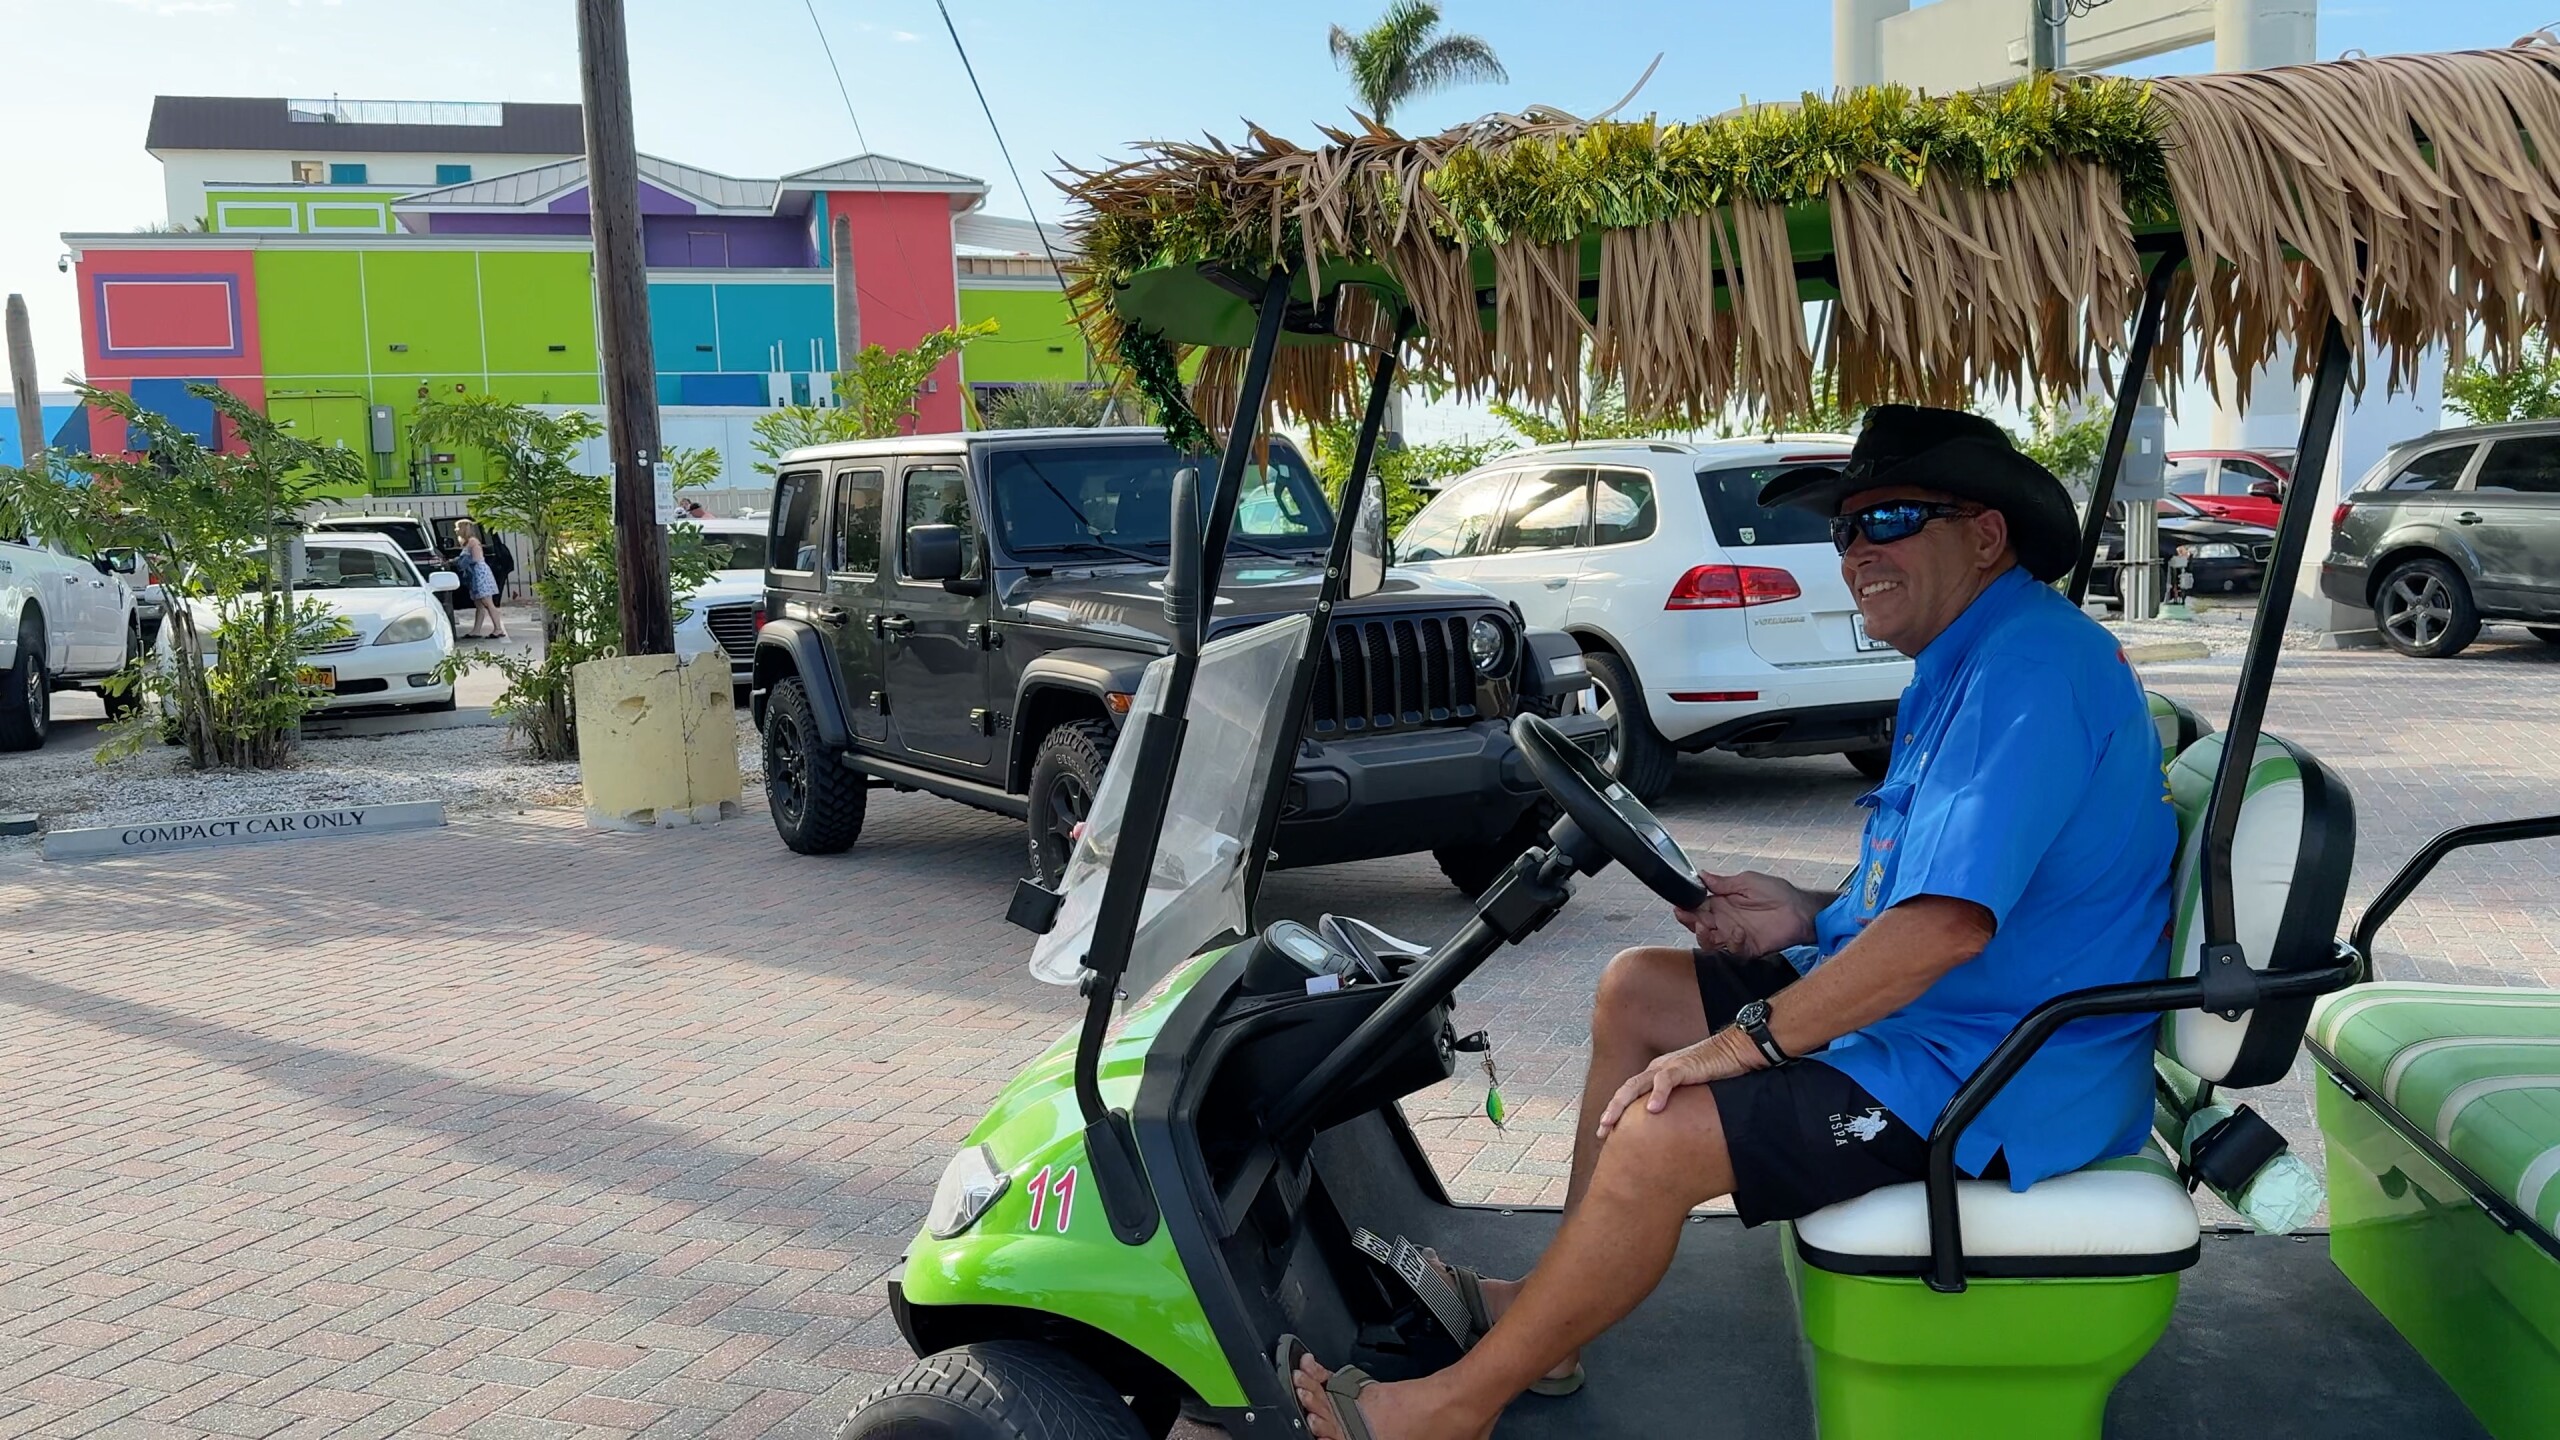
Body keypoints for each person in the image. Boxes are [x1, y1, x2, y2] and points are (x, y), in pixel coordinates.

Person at [1287, 406, 2179, 1439]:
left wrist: (1743, 1044)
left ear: (1985, 535)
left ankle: (1452, 1408)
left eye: (1889, 519)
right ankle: (1550, 1324)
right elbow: (1942, 888)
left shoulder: (2028, 671)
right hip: (1945, 1023)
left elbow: (1943, 932)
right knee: (1638, 987)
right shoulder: (1969, 657)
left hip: (1991, 1075)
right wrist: (1803, 914)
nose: (1855, 551)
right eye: (1844, 528)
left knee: (1659, 1132)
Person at [453, 518, 507, 641]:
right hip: (475, 574)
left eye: (457, 528)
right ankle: (476, 630)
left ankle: (498, 629)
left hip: (480, 573)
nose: (455, 530)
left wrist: (462, 562)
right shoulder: (468, 542)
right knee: (479, 604)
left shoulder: (472, 541)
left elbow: (476, 559)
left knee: (487, 601)